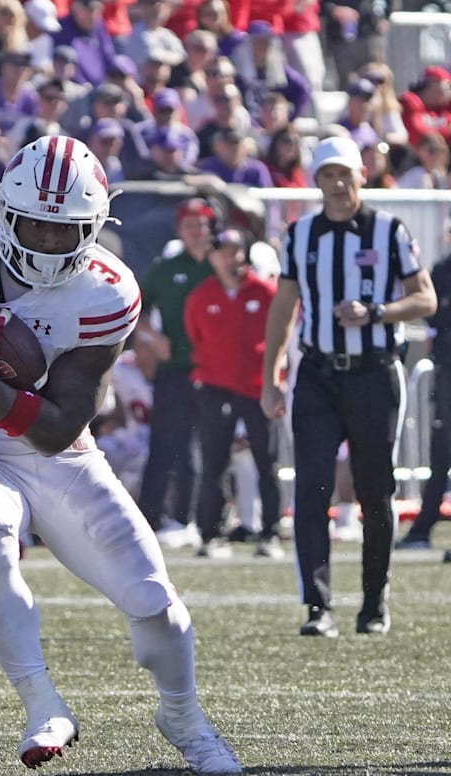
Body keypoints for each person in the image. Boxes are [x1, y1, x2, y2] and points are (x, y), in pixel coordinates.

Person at [0, 135, 241, 776]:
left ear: (94, 228)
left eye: (61, 231)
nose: (42, 243)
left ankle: (182, 714)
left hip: (64, 460)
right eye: (32, 225)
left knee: (160, 610)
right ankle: (43, 704)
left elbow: (60, 426)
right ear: (4, 211)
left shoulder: (106, 292)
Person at [261, 136, 436, 638]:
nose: (337, 184)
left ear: (362, 175)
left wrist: (377, 312)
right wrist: (271, 375)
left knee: (375, 489)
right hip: (317, 374)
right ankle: (318, 606)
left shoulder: (389, 231)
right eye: (327, 175)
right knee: (313, 488)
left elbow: (424, 299)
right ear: (315, 181)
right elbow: (284, 305)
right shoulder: (300, 236)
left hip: (373, 373)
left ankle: (373, 601)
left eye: (344, 174)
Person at [183, 228, 281, 559]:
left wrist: (274, 380)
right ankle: (211, 534)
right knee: (214, 461)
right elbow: (194, 336)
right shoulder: (202, 295)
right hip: (215, 386)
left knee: (267, 459)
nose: (231, 258)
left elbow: (281, 334)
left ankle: (271, 532)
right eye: (223, 251)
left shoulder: (265, 292)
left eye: (236, 251)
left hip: (257, 386)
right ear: (212, 257)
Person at [135, 197, 216, 544]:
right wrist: (154, 339)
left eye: (202, 224)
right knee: (165, 445)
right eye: (190, 225)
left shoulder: (221, 265)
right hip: (175, 369)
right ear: (180, 230)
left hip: (214, 372)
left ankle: (201, 518)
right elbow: (133, 305)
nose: (197, 232)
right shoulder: (166, 269)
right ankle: (150, 519)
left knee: (210, 448)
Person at [398, 248, 451, 555]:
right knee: (441, 451)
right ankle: (423, 526)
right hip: (447, 369)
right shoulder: (442, 270)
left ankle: (423, 526)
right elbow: (428, 306)